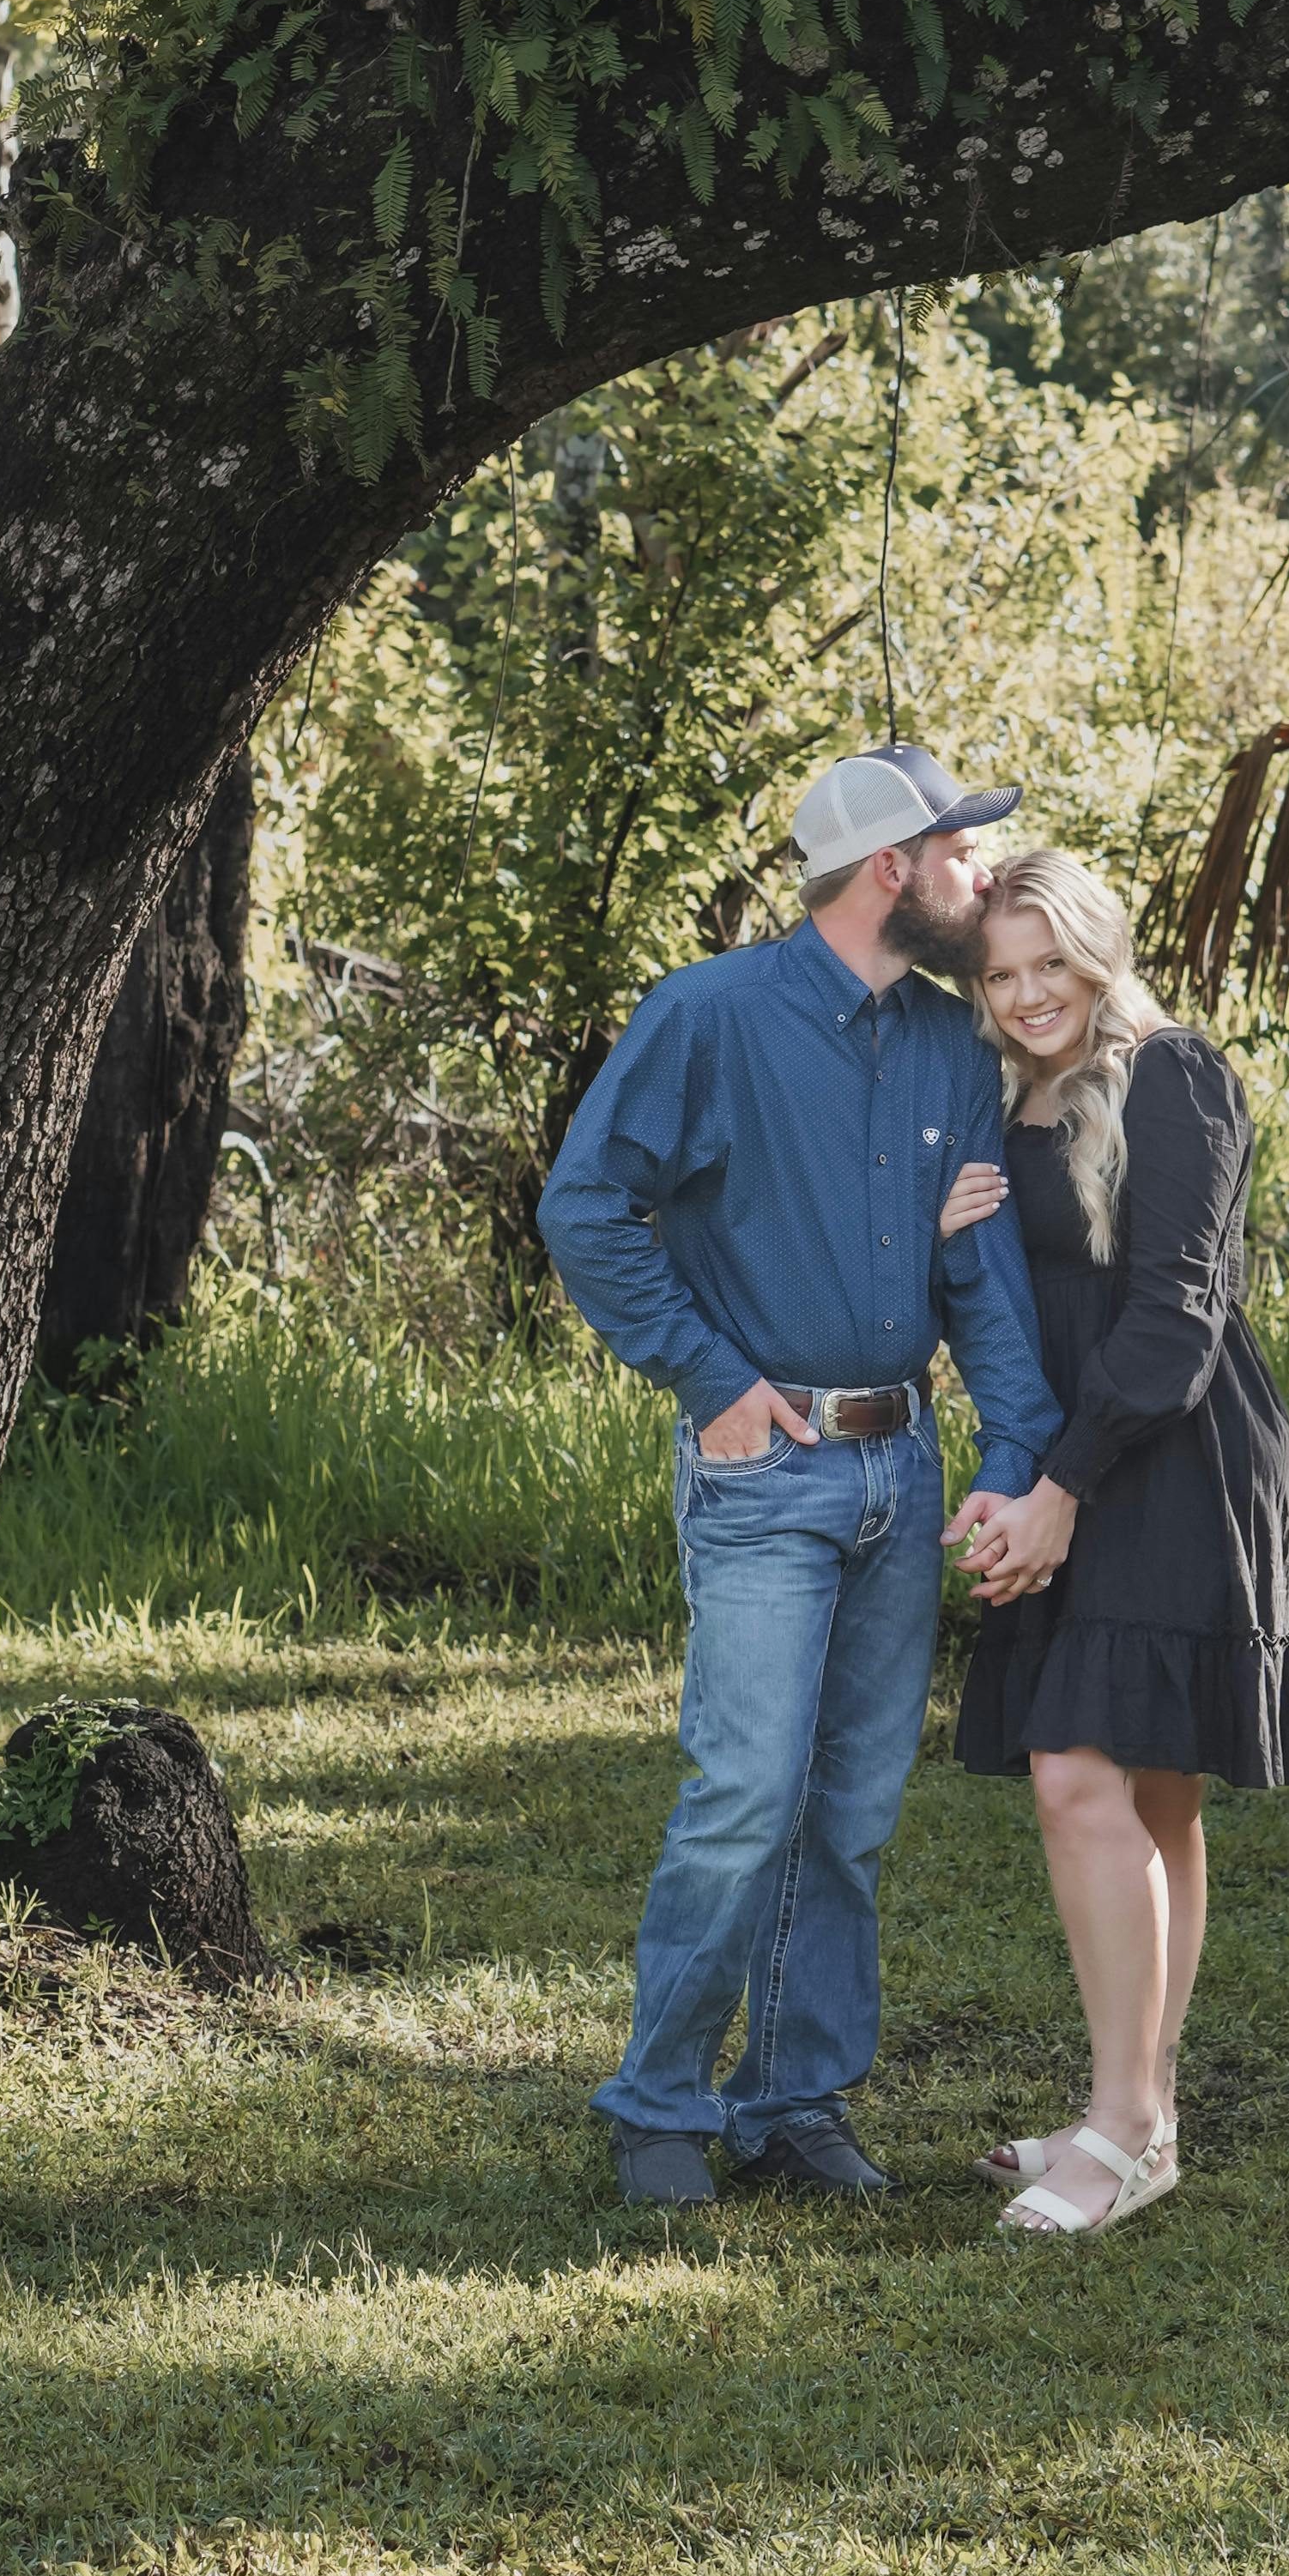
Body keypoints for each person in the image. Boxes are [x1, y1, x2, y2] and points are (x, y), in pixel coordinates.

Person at [537, 747, 1065, 2210]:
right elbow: (585, 1206)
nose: (981, 874)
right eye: (962, 850)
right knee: (744, 1793)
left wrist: (1017, 1455)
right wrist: (709, 1381)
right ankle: (659, 2101)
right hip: (766, 1477)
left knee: (848, 1811)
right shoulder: (706, 1016)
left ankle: (794, 2102)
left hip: (905, 1467)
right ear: (890, 866)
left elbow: (980, 1279)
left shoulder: (957, 1052)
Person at [942, 849, 1289, 2237]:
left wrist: (1063, 1489)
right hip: (1079, 1453)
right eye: (1000, 973)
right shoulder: (1006, 1091)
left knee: (1078, 1773)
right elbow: (1020, 1290)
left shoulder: (1171, 1073)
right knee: (1146, 1793)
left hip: (1175, 1456)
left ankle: (1119, 2128)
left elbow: (1173, 1317)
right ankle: (1139, 2115)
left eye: (1051, 964)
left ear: (1097, 952)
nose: (1028, 994)